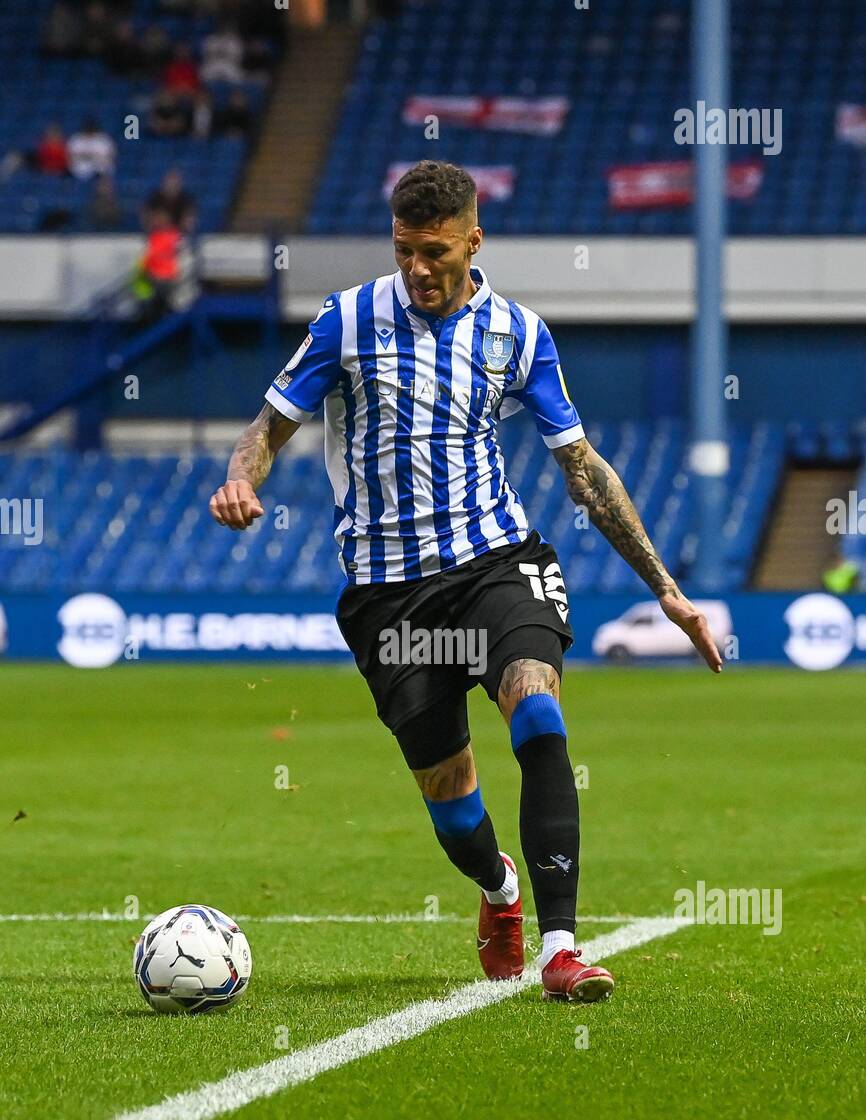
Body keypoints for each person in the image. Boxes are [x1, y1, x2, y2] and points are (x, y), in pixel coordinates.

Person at [208, 161, 723, 1004]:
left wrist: (665, 587)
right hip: (388, 596)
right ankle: (500, 891)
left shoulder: (520, 334)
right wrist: (243, 478)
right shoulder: (348, 320)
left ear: (473, 241)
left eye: (437, 251)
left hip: (495, 562)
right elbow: (270, 424)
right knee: (453, 808)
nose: (419, 269)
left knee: (538, 708)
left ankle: (562, 949)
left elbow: (583, 472)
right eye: (406, 250)